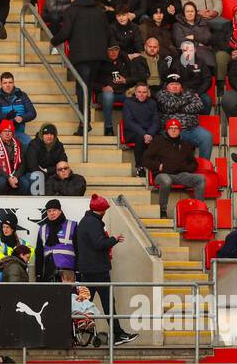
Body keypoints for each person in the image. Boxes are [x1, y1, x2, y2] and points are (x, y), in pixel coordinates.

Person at [75, 194, 135, 344]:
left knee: (84, 304)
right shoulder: (93, 223)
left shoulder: (85, 222)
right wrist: (114, 240)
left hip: (89, 269)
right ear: (102, 210)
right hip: (97, 271)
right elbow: (99, 244)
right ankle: (117, 335)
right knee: (107, 302)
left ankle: (73, 335)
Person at [142, 117, 207, 218]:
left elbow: (194, 164)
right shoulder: (158, 141)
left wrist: (184, 167)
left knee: (200, 179)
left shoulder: (185, 144)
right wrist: (158, 166)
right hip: (162, 174)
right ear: (167, 130)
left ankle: (199, 209)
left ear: (179, 131)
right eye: (171, 128)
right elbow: (145, 159)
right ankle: (162, 210)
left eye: (176, 128)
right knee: (166, 180)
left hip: (180, 174)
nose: (173, 130)